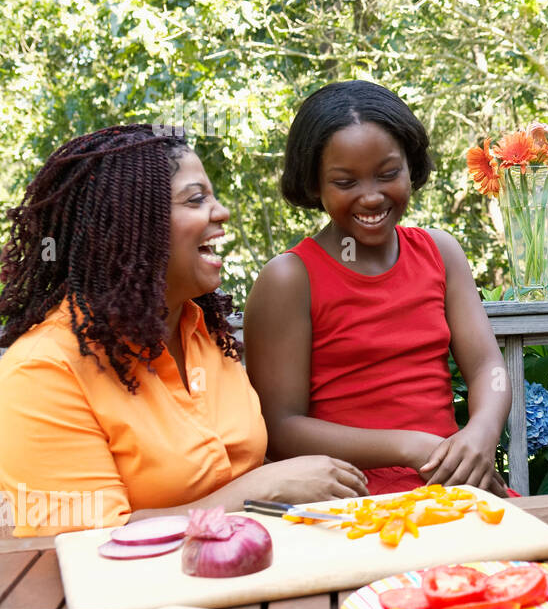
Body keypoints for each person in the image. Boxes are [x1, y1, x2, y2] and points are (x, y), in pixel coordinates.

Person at [0, 126, 368, 537]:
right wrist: (260, 491)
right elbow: (86, 544)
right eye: (196, 200)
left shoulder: (203, 331)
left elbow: (236, 471)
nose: (221, 212)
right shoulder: (42, 371)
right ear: (130, 225)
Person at [244, 81, 510, 497]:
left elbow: (487, 368)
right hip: (351, 499)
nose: (371, 197)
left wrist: (480, 434)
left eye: (388, 174)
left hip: (451, 481)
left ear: (411, 168)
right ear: (314, 184)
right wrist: (410, 446)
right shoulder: (290, 278)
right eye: (345, 183)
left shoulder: (440, 252)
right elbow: (279, 427)